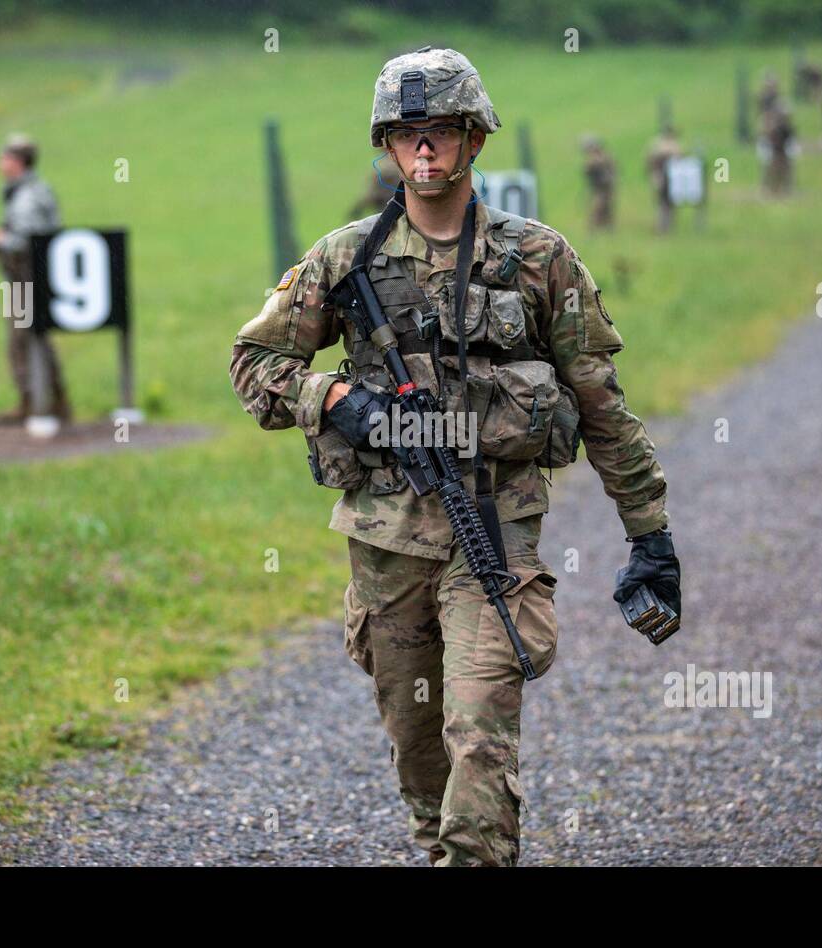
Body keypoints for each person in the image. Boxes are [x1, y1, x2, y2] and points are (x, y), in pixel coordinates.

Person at [230, 47, 679, 867]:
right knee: (421, 760)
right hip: (387, 547)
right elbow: (255, 369)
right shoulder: (345, 260)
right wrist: (336, 399)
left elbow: (604, 406)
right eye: (407, 136)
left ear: (473, 139)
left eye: (439, 131)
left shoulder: (539, 259)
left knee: (478, 744)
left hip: (495, 540)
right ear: (389, 149)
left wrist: (649, 535)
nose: (424, 150)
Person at [0, 133, 69, 424]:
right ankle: (46, 400)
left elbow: (27, 241)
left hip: (27, 281)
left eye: (4, 158)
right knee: (33, 341)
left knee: (24, 342)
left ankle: (38, 402)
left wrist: (2, 240)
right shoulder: (32, 191)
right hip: (32, 280)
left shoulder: (27, 196)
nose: (0, 163)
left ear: (16, 161)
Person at [646, 125, 683, 234]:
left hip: (667, 178)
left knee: (666, 203)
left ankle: (666, 226)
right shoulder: (666, 146)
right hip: (663, 177)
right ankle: (663, 227)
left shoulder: (656, 145)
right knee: (664, 203)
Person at [348, 154, 403, 220]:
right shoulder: (403, 164)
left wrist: (359, 207)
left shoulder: (384, 168)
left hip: (386, 205)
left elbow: (371, 195)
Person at [580, 135, 616, 230]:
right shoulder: (605, 157)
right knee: (601, 206)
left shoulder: (599, 158)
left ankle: (600, 227)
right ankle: (600, 227)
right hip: (600, 186)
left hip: (603, 187)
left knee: (600, 207)